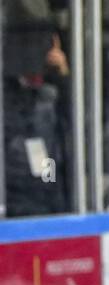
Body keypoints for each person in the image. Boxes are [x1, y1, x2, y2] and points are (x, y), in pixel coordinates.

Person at [2, 16, 69, 218]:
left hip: (49, 192)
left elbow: (78, 122)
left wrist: (63, 73)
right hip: (14, 196)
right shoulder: (7, 91)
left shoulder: (53, 91)